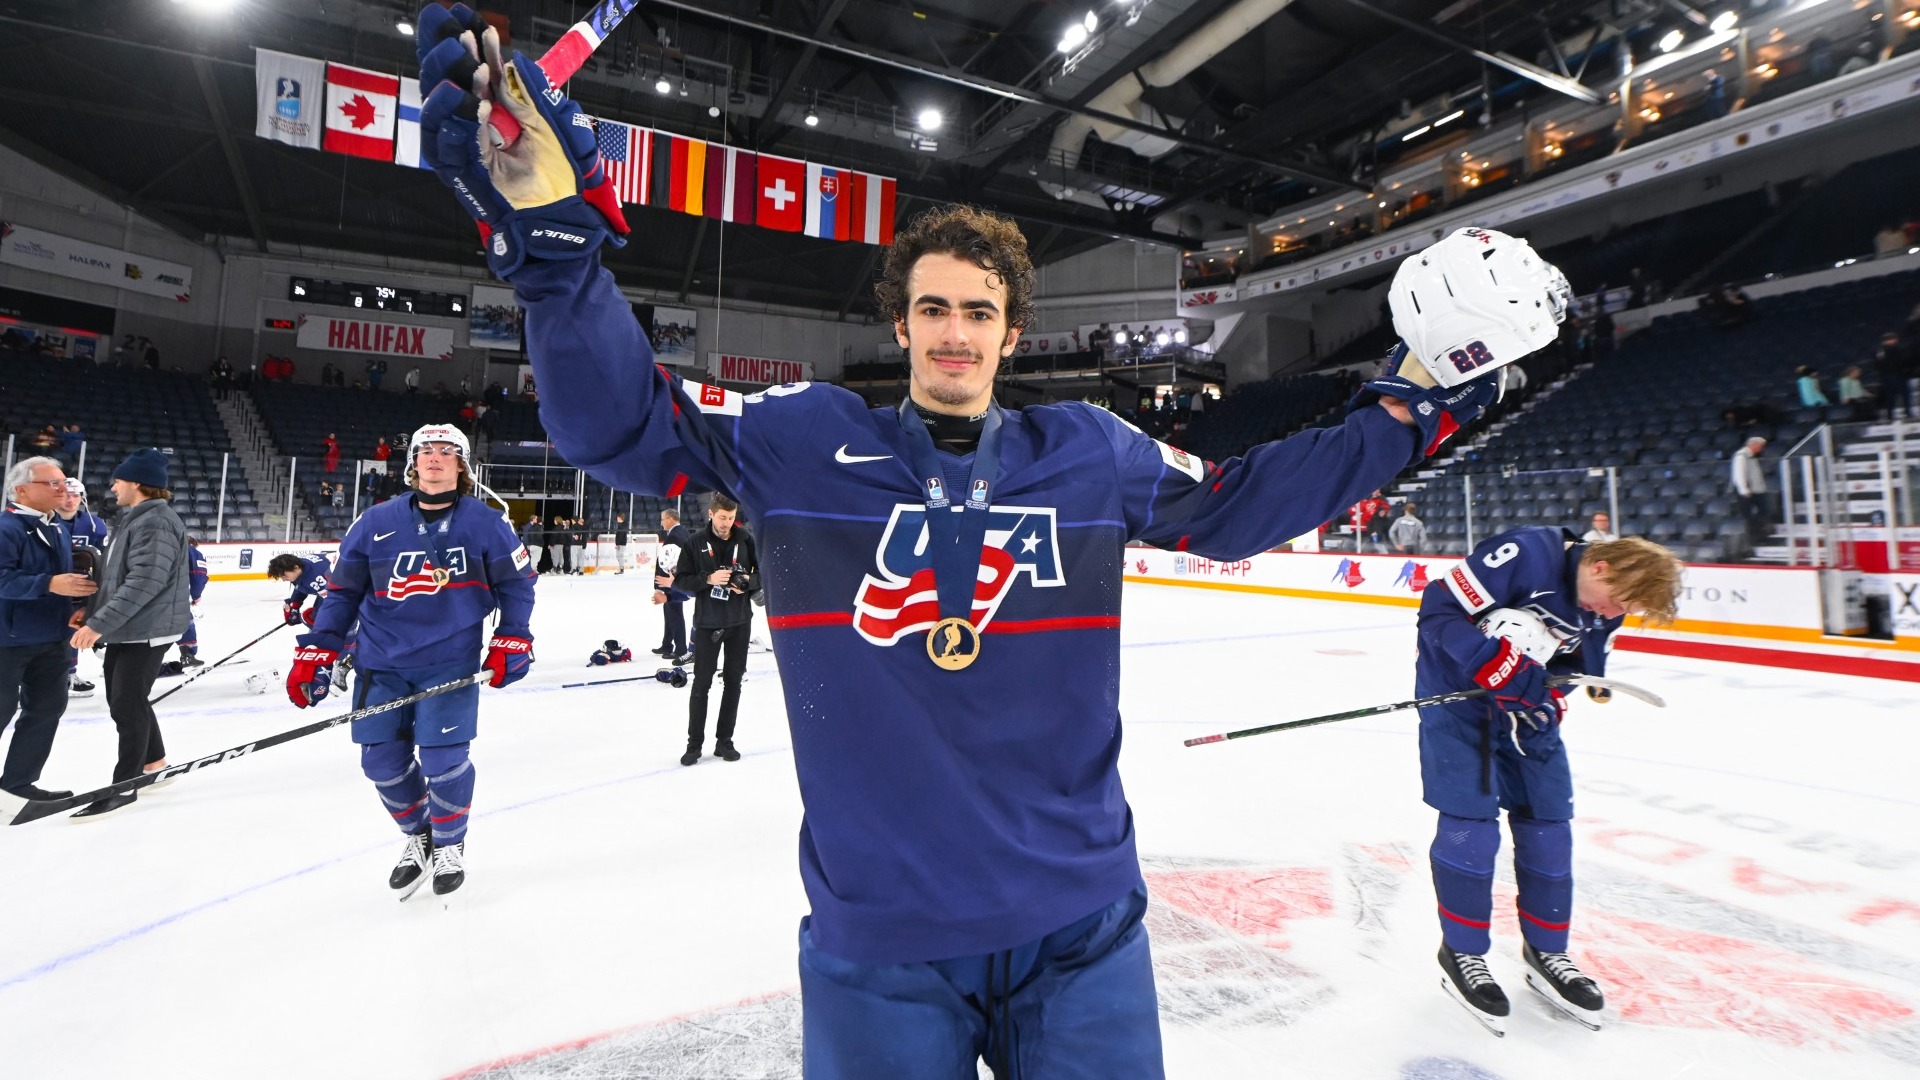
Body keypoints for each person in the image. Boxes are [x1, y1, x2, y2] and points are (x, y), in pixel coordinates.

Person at [415, 21, 1543, 1070]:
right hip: (883, 939)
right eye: (936, 308)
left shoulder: (1094, 452)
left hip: (1083, 924)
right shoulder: (802, 441)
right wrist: (559, 263)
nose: (957, 331)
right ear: (898, 322)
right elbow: (615, 426)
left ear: (1013, 330)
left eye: (981, 311)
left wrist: (1408, 410)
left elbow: (1240, 507)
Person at [1415, 529, 1682, 1032]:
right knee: (1471, 828)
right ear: (1601, 568)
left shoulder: (1605, 605)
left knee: (1549, 826)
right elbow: (1438, 610)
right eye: (1617, 601)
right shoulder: (1527, 554)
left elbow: (1573, 663)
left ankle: (1547, 952)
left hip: (1528, 712)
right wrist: (1493, 664)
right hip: (1457, 704)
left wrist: (1553, 688)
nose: (1612, 614)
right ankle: (1464, 953)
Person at [284, 424, 535, 899]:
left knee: (443, 760)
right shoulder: (374, 521)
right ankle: (418, 836)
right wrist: (319, 650)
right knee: (380, 763)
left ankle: (449, 843)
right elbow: (342, 593)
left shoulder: (486, 522)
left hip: (450, 663)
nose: (435, 458)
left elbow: (518, 585)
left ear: (461, 466)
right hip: (381, 663)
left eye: (446, 452)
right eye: (426, 451)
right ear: (413, 463)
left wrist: (513, 637)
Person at [68, 449, 193, 818]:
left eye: (118, 480)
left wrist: (98, 624)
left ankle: (125, 786)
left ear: (137, 483)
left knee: (126, 702)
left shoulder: (154, 522)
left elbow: (144, 582)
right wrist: (90, 612)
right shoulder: (139, 518)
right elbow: (118, 579)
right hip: (132, 626)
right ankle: (154, 762)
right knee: (128, 700)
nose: (113, 487)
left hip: (148, 628)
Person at [0, 457, 96, 802]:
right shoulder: (5, 528)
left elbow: (61, 583)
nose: (63, 488)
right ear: (21, 490)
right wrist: (50, 583)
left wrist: (73, 611)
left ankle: (17, 786)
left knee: (46, 709)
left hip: (53, 638)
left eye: (64, 482)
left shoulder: (55, 527)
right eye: (52, 483)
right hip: (7, 640)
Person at [671, 494, 759, 766]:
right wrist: (707, 579)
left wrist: (747, 581)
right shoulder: (695, 542)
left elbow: (761, 574)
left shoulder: (744, 539)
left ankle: (725, 741)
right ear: (711, 514)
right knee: (701, 684)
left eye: (731, 518)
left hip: (740, 621)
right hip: (708, 622)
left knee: (733, 683)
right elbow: (681, 582)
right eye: (722, 518)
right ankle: (694, 745)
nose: (727, 523)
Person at [54, 478, 109, 697]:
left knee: (74, 629)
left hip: (80, 589)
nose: (70, 500)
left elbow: (101, 560)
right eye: (66, 494)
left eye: (75, 495)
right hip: (50, 587)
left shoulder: (95, 525)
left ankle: (69, 675)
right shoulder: (45, 521)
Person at [653, 509, 692, 663]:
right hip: (676, 580)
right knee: (669, 611)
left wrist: (661, 587)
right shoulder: (682, 532)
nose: (661, 522)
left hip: (672, 581)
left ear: (669, 519)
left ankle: (680, 648)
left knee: (674, 613)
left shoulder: (675, 536)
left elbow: (667, 562)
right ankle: (667, 644)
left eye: (662, 519)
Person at [171, 537, 209, 671]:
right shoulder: (191, 551)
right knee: (185, 621)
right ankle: (188, 656)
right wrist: (196, 596)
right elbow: (198, 575)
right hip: (174, 595)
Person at [1731, 436, 1769, 548]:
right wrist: (1744, 489)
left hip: (1757, 489)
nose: (1761, 449)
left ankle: (1759, 534)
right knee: (1749, 516)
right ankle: (1755, 539)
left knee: (1765, 511)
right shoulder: (1741, 456)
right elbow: (1739, 474)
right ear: (1753, 445)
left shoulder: (1753, 457)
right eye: (1760, 446)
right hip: (1747, 491)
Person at [1875, 332, 1913, 420]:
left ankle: (1889, 416)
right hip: (1897, 374)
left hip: (1885, 377)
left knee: (1890, 396)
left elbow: (1876, 365)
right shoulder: (1896, 349)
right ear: (1892, 340)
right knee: (1905, 394)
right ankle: (1907, 413)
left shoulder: (1878, 351)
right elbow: (1903, 360)